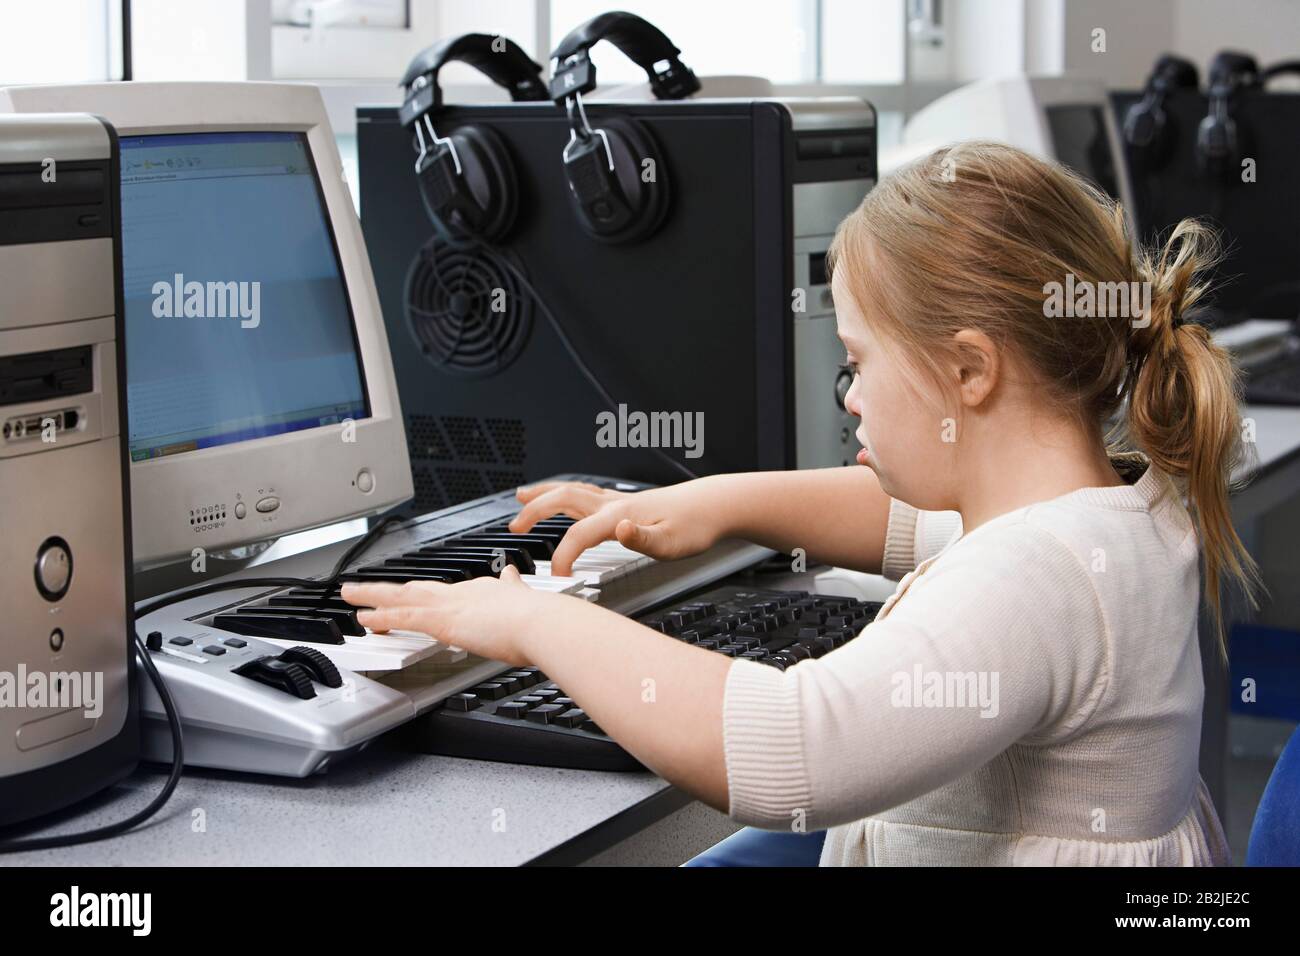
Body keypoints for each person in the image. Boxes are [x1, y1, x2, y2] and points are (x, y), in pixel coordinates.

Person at [343, 141, 1256, 866]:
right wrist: (719, 503)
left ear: (971, 370)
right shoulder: (1108, 509)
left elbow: (795, 750)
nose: (848, 395)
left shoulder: (1037, 576)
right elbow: (905, 522)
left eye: (857, 362)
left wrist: (530, 624)